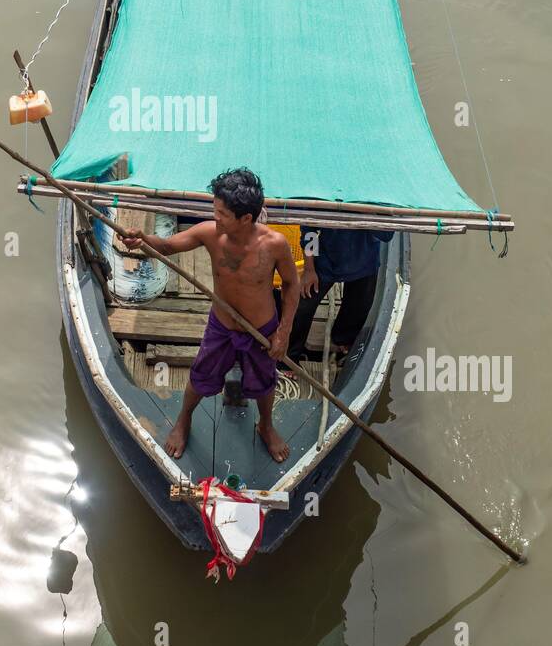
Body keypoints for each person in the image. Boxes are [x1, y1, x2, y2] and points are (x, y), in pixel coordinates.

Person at [123, 168, 299, 463]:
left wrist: (283, 333)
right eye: (214, 209)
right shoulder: (209, 233)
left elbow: (292, 285)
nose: (215, 217)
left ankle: (265, 426)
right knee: (200, 376)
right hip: (222, 327)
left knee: (265, 382)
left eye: (222, 213)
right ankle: (184, 420)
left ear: (245, 218)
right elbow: (167, 245)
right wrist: (143, 240)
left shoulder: (274, 244)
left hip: (262, 331)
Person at [275, 227, 395, 366]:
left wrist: (368, 214)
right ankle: (289, 356)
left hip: (364, 262)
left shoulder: (376, 206)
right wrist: (309, 269)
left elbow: (386, 235)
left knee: (359, 307)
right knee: (302, 307)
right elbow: (310, 230)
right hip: (327, 261)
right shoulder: (326, 205)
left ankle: (344, 338)